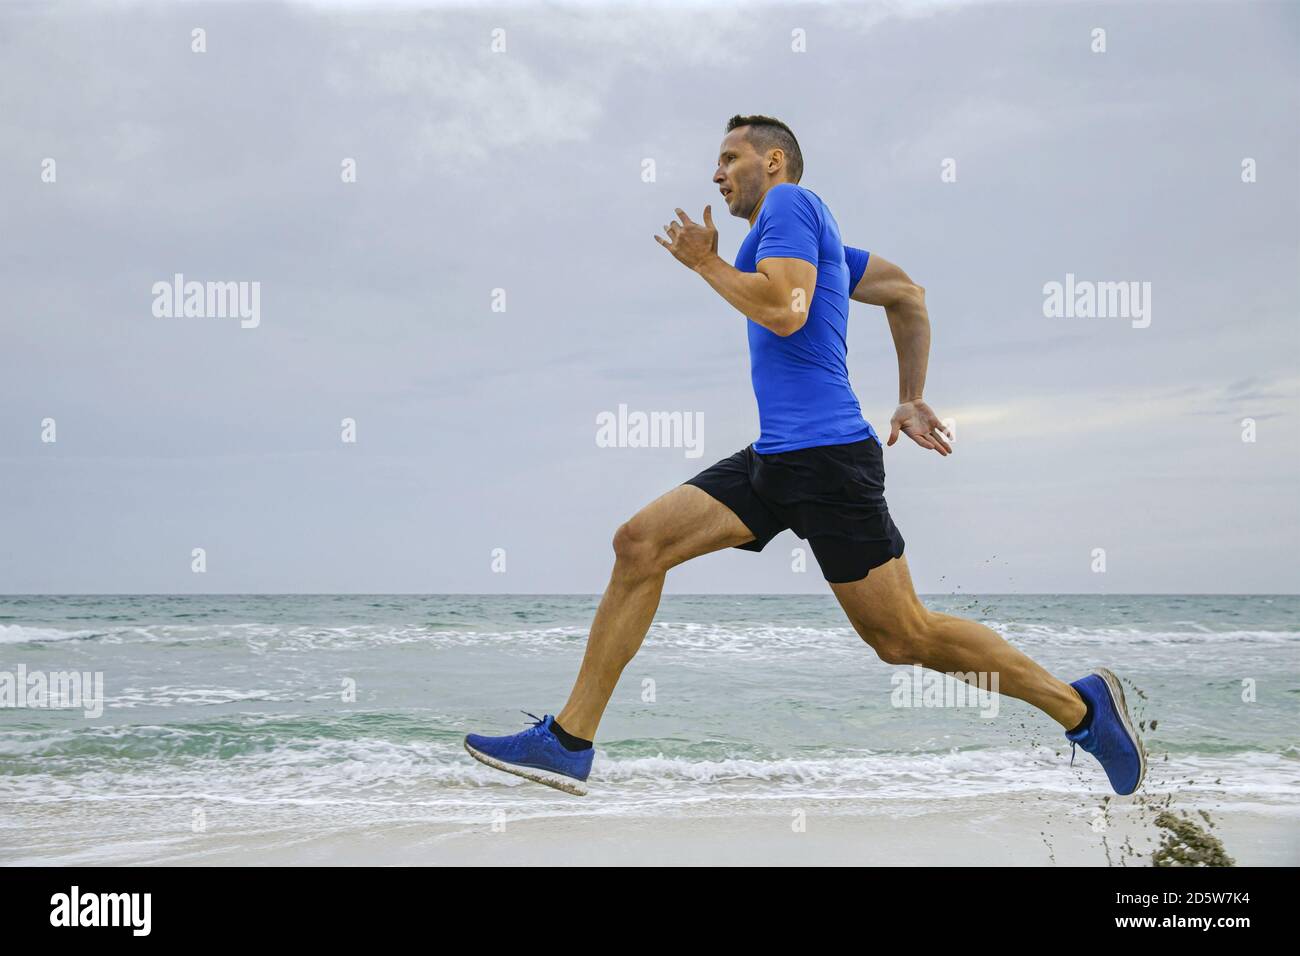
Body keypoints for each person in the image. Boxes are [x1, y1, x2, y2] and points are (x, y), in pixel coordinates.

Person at [464, 114, 1145, 799]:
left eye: (731, 157)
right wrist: (911, 398)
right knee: (638, 545)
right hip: (776, 460)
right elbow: (908, 294)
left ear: (776, 163)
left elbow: (786, 311)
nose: (717, 173)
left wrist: (706, 262)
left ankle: (1083, 711)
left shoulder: (791, 206)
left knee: (903, 636)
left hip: (827, 462)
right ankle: (569, 741)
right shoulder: (803, 239)